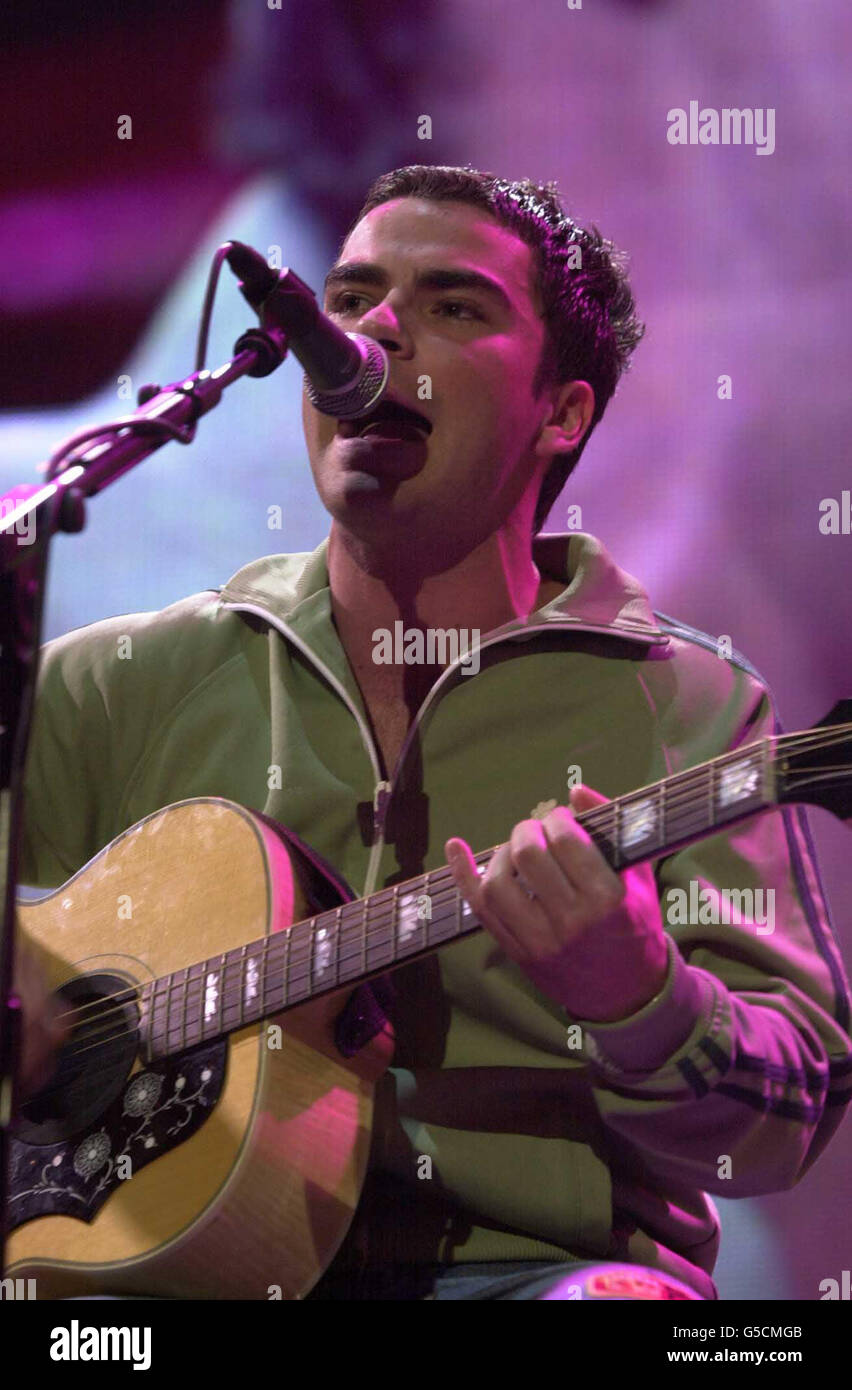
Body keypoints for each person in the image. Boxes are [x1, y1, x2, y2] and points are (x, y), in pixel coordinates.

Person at [14, 164, 852, 1302]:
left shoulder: (690, 706)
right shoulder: (121, 681)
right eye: (352, 298)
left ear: (562, 411)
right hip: (157, 1282)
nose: (376, 330)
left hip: (537, 1274)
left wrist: (640, 995)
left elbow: (787, 1116)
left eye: (454, 307)